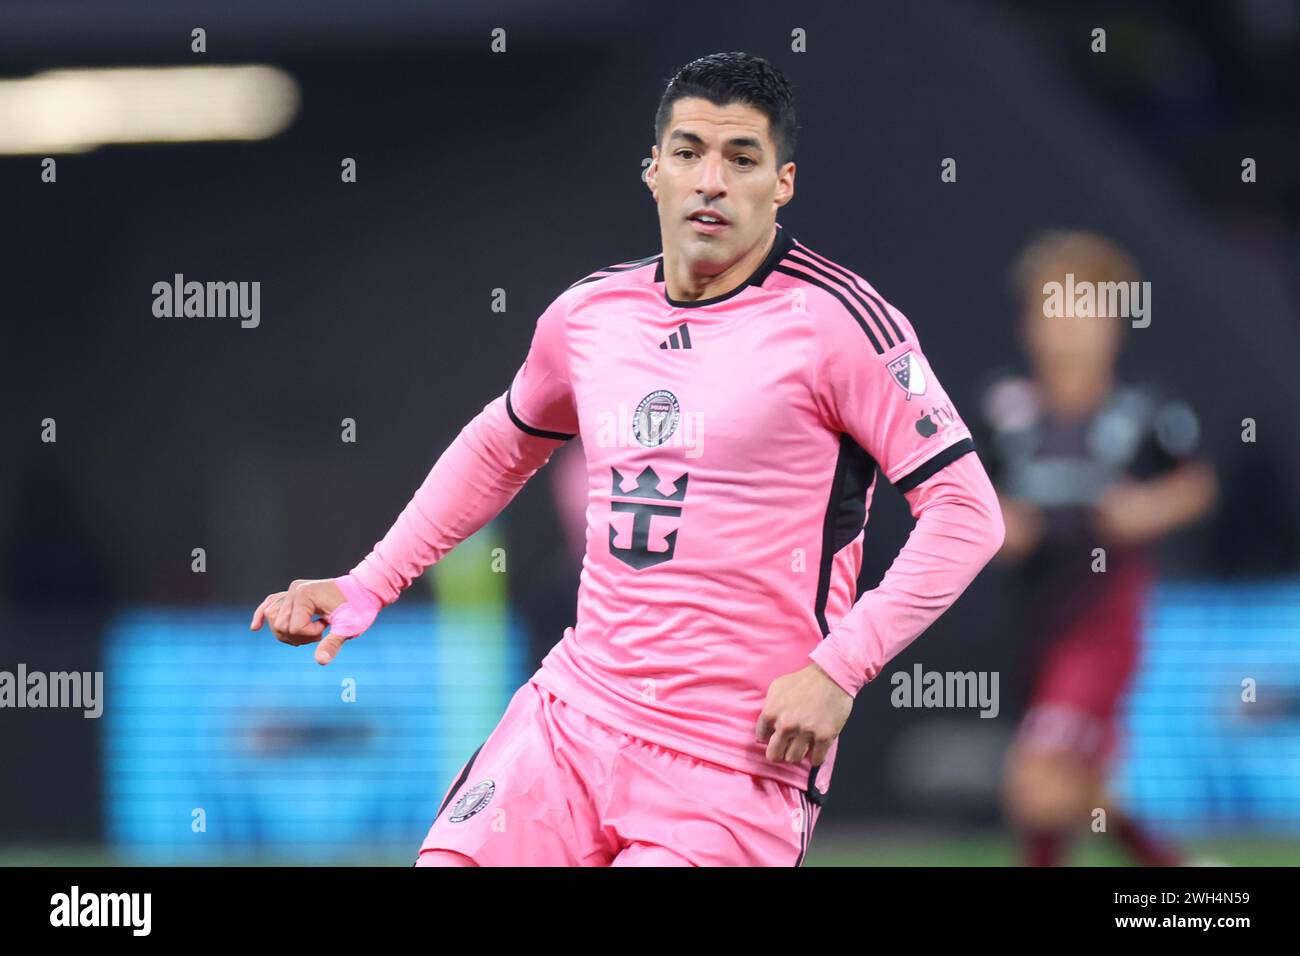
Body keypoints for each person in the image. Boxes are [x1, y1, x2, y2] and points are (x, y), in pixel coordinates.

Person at [250, 51, 1004, 866]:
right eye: (688, 152)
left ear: (782, 183)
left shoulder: (839, 322)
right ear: (653, 171)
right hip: (571, 719)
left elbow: (968, 514)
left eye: (741, 158)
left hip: (734, 757)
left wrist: (839, 669)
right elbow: (501, 445)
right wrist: (370, 582)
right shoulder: (590, 315)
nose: (710, 180)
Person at [980, 230, 1217, 866]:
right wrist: (998, 524)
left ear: (1114, 324)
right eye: (1051, 311)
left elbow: (1196, 485)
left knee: (1036, 777)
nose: (1066, 329)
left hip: (1105, 620)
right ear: (1029, 323)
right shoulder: (1008, 413)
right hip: (1037, 620)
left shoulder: (1143, 412)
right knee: (1085, 792)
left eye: (1082, 311)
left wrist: (1147, 509)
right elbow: (973, 499)